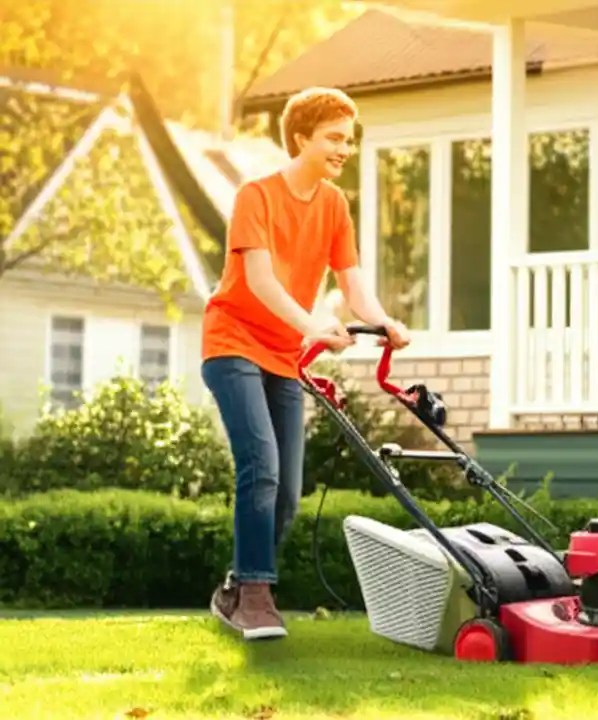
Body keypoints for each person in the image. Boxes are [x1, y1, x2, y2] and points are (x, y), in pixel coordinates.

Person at [201, 86, 410, 640]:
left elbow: (354, 285)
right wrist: (314, 324)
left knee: (287, 494)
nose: (345, 149)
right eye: (334, 139)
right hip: (232, 343)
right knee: (261, 466)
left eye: (349, 140)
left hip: (282, 354)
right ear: (301, 138)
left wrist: (383, 320)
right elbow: (259, 280)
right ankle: (254, 596)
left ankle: (236, 587)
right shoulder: (256, 196)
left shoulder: (335, 205)